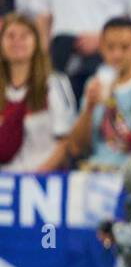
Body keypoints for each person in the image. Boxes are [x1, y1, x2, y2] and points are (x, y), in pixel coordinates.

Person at [67, 16, 131, 169]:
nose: (117, 55)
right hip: (98, 170)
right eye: (110, 47)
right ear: (101, 48)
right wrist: (89, 108)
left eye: (124, 47)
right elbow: (76, 148)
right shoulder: (95, 83)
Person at [0, 11, 75, 172]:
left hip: (43, 178)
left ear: (36, 41)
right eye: (10, 36)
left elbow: (65, 141)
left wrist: (35, 177)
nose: (17, 42)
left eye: (24, 36)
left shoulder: (55, 83)